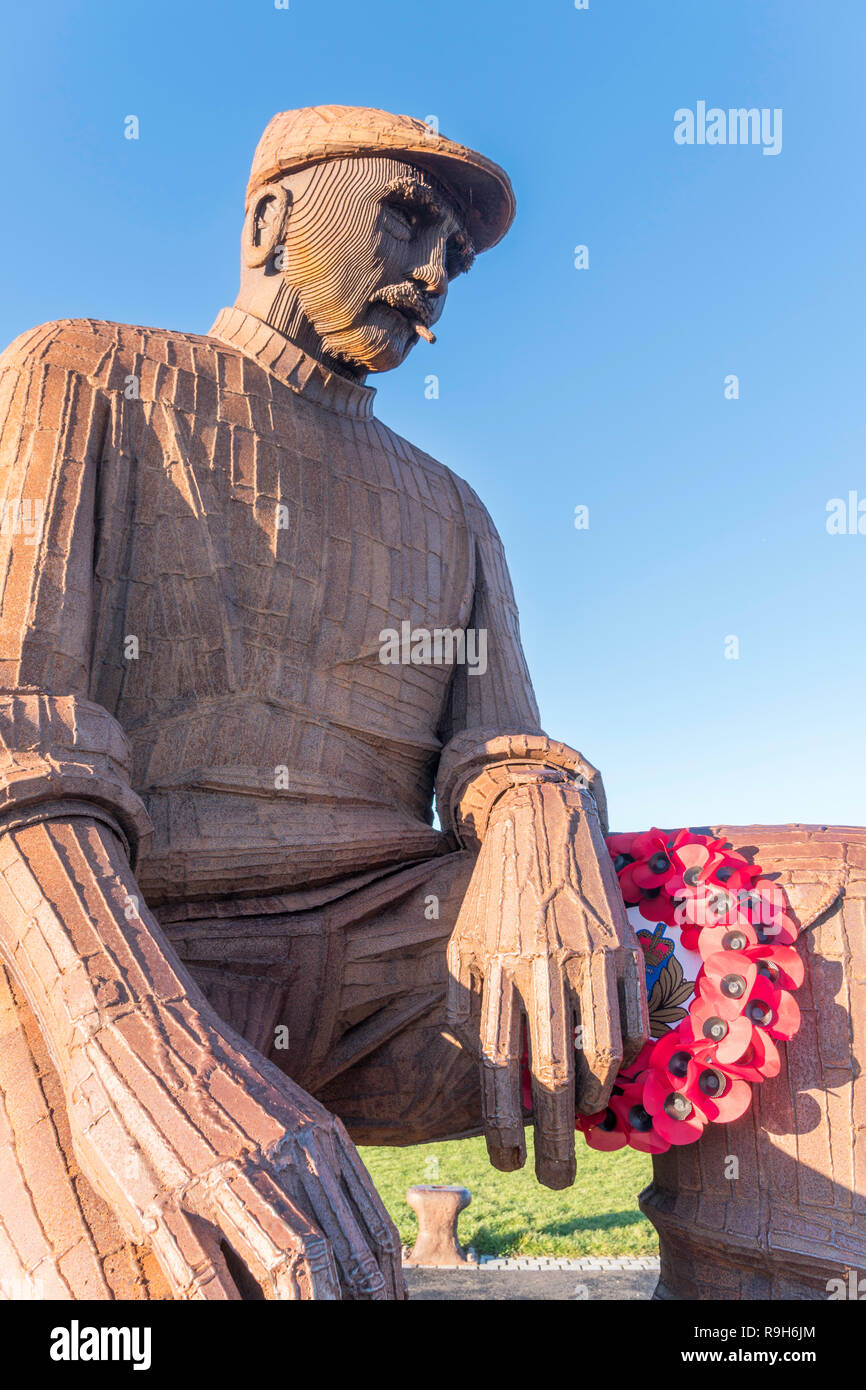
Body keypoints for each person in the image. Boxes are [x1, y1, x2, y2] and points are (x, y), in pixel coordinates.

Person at [0, 106, 647, 1300]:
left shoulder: (453, 509)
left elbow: (492, 741)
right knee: (218, 1273)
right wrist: (146, 1055)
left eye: (455, 251)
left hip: (386, 959)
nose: (435, 273)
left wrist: (541, 812)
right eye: (406, 218)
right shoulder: (87, 373)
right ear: (267, 221)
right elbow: (16, 744)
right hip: (103, 941)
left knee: (770, 926)